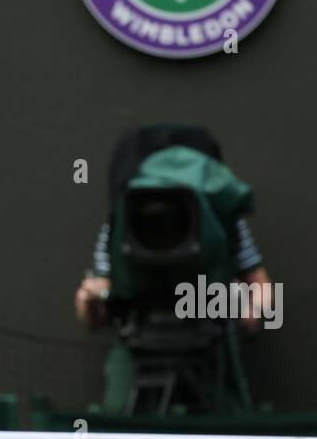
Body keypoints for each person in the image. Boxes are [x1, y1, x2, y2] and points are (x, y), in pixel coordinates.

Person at [74, 124, 271, 414]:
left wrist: (253, 313)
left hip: (212, 351)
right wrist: (90, 300)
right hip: (138, 349)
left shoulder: (225, 225)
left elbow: (262, 286)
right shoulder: (120, 226)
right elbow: (93, 318)